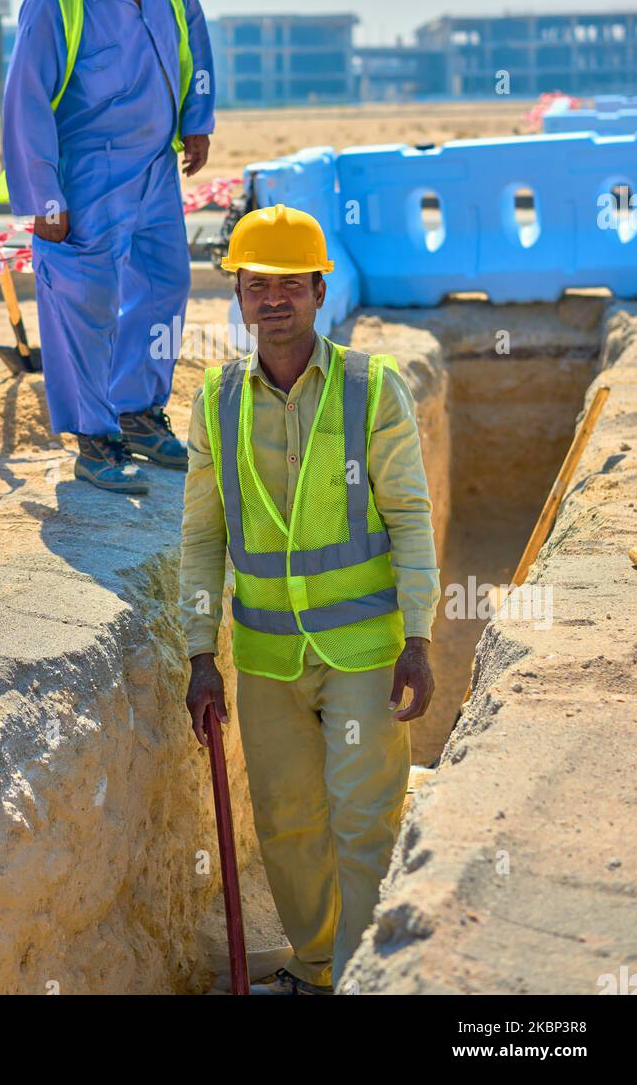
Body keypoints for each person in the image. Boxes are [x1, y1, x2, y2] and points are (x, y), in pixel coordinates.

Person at [179, 204, 440, 994]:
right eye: (257, 285)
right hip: (265, 660)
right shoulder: (217, 400)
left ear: (321, 291)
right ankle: (316, 967)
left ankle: (364, 976)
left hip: (364, 651)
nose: (274, 300)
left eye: (291, 284)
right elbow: (200, 538)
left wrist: (420, 638)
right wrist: (199, 654)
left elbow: (409, 515)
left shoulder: (371, 389)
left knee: (363, 821)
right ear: (239, 297)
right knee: (289, 826)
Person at [2, 0, 215, 492]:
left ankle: (138, 410)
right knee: (84, 301)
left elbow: (193, 31)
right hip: (87, 172)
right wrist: (43, 199)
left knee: (165, 282)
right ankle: (94, 439)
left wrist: (197, 117)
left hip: (155, 162)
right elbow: (25, 103)